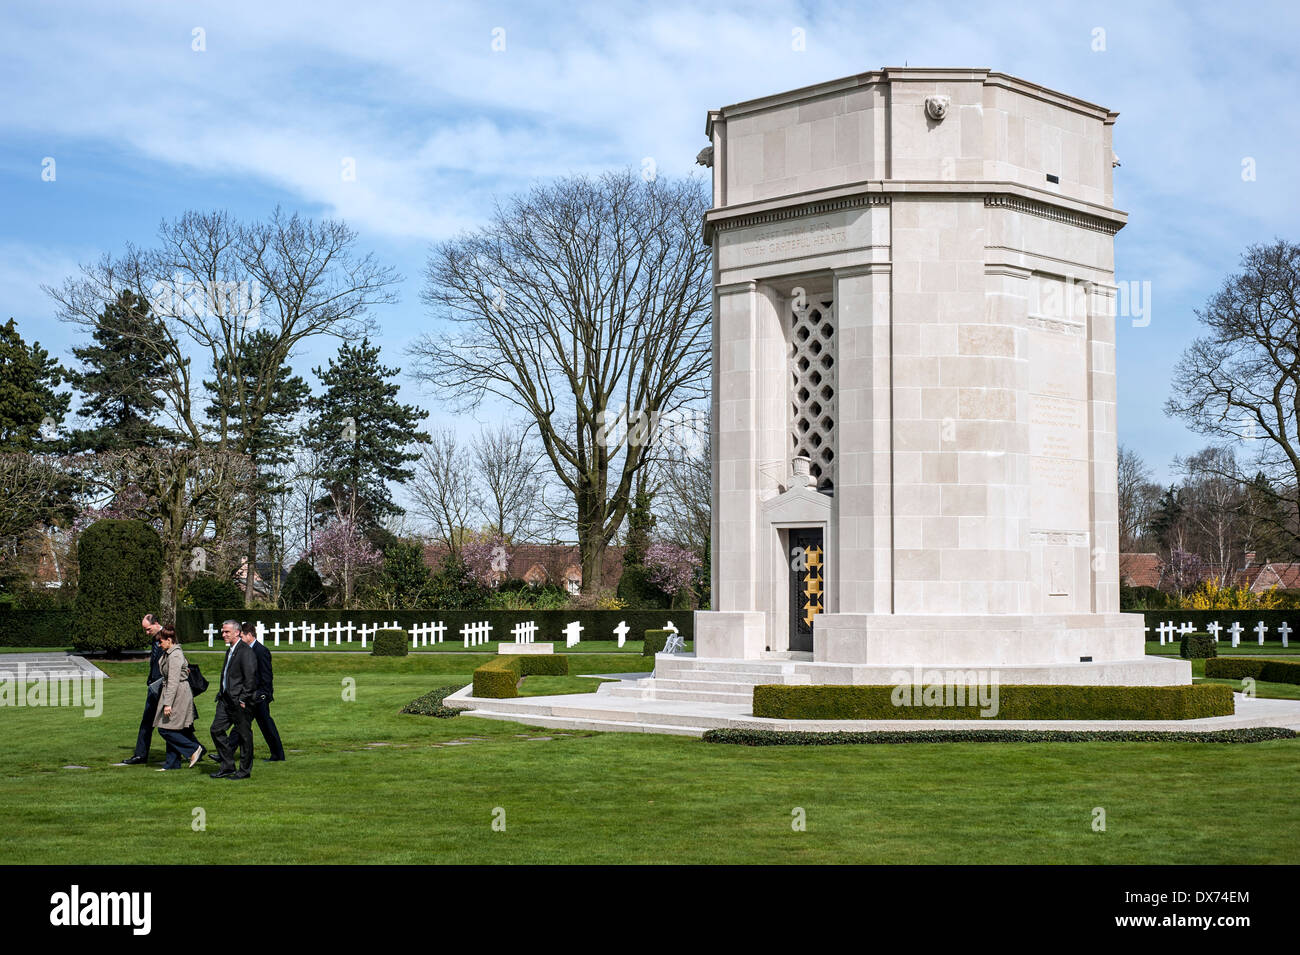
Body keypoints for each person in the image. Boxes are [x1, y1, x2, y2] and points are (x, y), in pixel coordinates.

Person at [209, 619, 256, 779]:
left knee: (244, 736)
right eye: (222, 631)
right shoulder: (231, 650)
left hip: (239, 701)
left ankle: (244, 771)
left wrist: (243, 698)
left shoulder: (245, 651)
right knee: (216, 730)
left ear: (237, 632)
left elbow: (250, 678)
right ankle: (228, 766)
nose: (223, 634)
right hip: (225, 700)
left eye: (227, 632)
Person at [153, 626, 204, 770]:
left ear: (169, 640)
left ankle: (193, 749)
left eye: (161, 641)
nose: (159, 644)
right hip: (175, 691)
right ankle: (172, 764)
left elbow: (173, 681)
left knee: (165, 729)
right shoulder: (169, 653)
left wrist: (168, 703)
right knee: (172, 728)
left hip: (178, 694)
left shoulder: (175, 655)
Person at [118, 614, 164, 765]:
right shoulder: (155, 639)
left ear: (156, 623)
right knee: (147, 722)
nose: (147, 632)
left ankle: (194, 748)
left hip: (163, 686)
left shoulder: (168, 637)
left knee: (172, 725)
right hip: (154, 685)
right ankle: (140, 754)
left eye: (148, 629)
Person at [240, 622, 285, 762]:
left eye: (241, 636)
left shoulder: (261, 651)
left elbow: (266, 675)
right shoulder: (246, 650)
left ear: (249, 635)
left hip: (260, 696)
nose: (240, 639)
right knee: (242, 724)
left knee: (266, 725)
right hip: (251, 695)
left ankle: (278, 754)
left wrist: (264, 694)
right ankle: (226, 753)